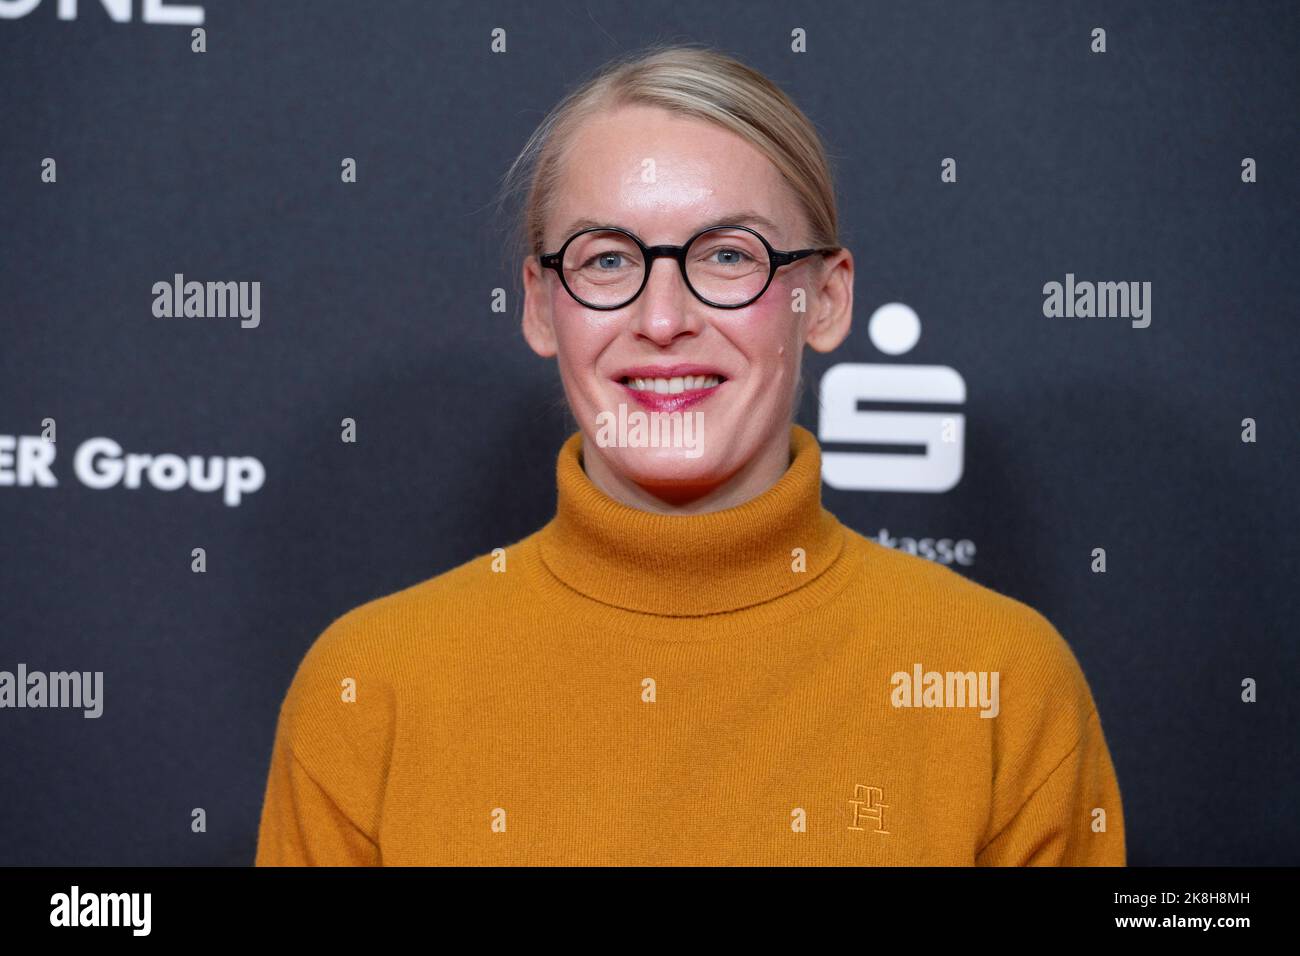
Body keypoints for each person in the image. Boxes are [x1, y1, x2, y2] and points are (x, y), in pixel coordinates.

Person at [255, 42, 1125, 866]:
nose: (663, 319)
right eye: (605, 260)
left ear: (822, 300)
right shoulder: (370, 686)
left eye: (726, 255)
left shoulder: (1000, 680)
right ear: (538, 305)